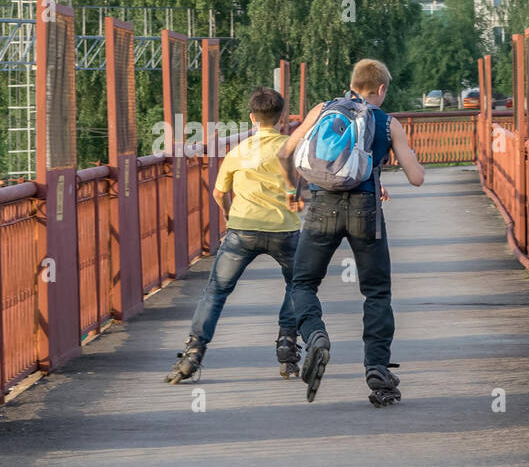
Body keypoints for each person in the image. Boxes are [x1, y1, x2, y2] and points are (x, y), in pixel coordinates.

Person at [279, 58, 425, 407]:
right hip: (366, 211)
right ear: (381, 89)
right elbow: (416, 177)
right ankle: (377, 369)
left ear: (353, 83)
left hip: (322, 207)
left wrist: (293, 190)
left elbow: (285, 153)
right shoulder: (387, 123)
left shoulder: (323, 110)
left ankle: (315, 335)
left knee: (302, 283)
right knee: (376, 292)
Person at [165, 87, 303, 383]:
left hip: (242, 231)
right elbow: (300, 185)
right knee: (297, 285)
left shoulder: (238, 151)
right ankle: (287, 348)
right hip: (284, 230)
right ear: (281, 118)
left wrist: (229, 214)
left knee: (215, 292)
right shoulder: (291, 148)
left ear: (252, 118)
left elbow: (218, 193)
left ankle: (192, 353)